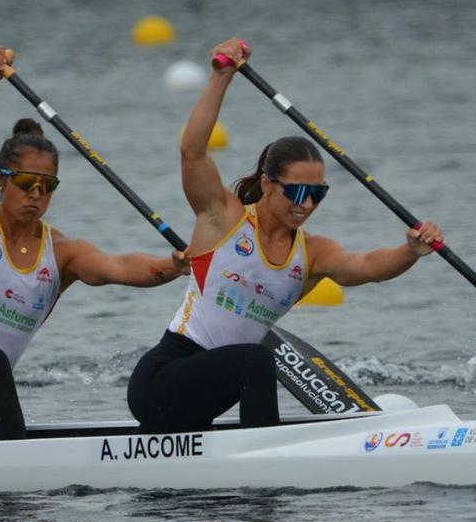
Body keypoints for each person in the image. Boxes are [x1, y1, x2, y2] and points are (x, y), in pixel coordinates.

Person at [126, 38, 444, 434]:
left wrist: (410, 250)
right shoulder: (223, 219)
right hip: (163, 377)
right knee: (257, 359)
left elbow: (367, 267)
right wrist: (221, 78)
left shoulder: (313, 253)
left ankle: (255, 457)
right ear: (267, 184)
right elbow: (193, 151)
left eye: (318, 193)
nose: (307, 203)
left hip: (213, 390)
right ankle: (264, 477)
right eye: (297, 191)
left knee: (252, 359)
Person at [0, 46, 188, 442]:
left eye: (47, 186)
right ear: (0, 180)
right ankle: (15, 477)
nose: (36, 194)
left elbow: (121, 267)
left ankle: (7, 472)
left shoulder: (61, 254)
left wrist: (177, 265)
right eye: (27, 183)